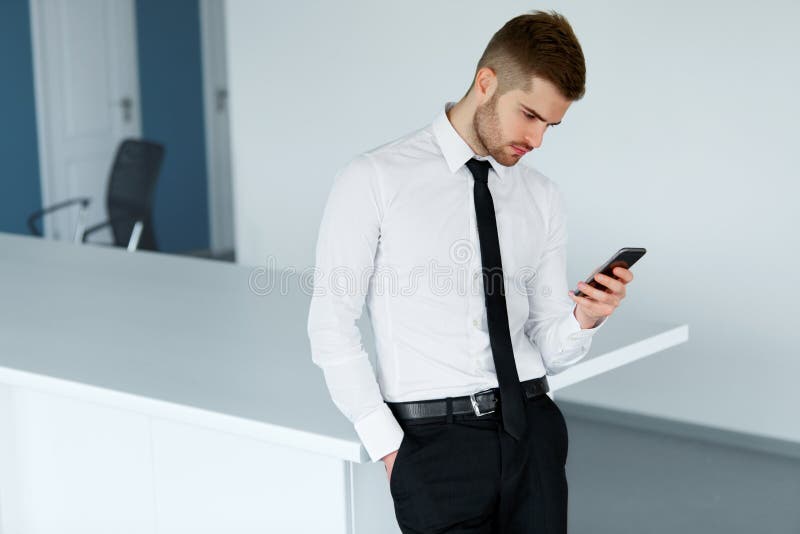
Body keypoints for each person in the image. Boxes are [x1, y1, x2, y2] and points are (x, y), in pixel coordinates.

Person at [307, 9, 633, 533]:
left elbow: (550, 348)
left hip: (534, 431)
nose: (538, 140)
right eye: (529, 115)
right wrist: (390, 449)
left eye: (550, 125)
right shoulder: (373, 179)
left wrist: (584, 319)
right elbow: (330, 326)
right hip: (434, 449)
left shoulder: (542, 197)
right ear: (486, 83)